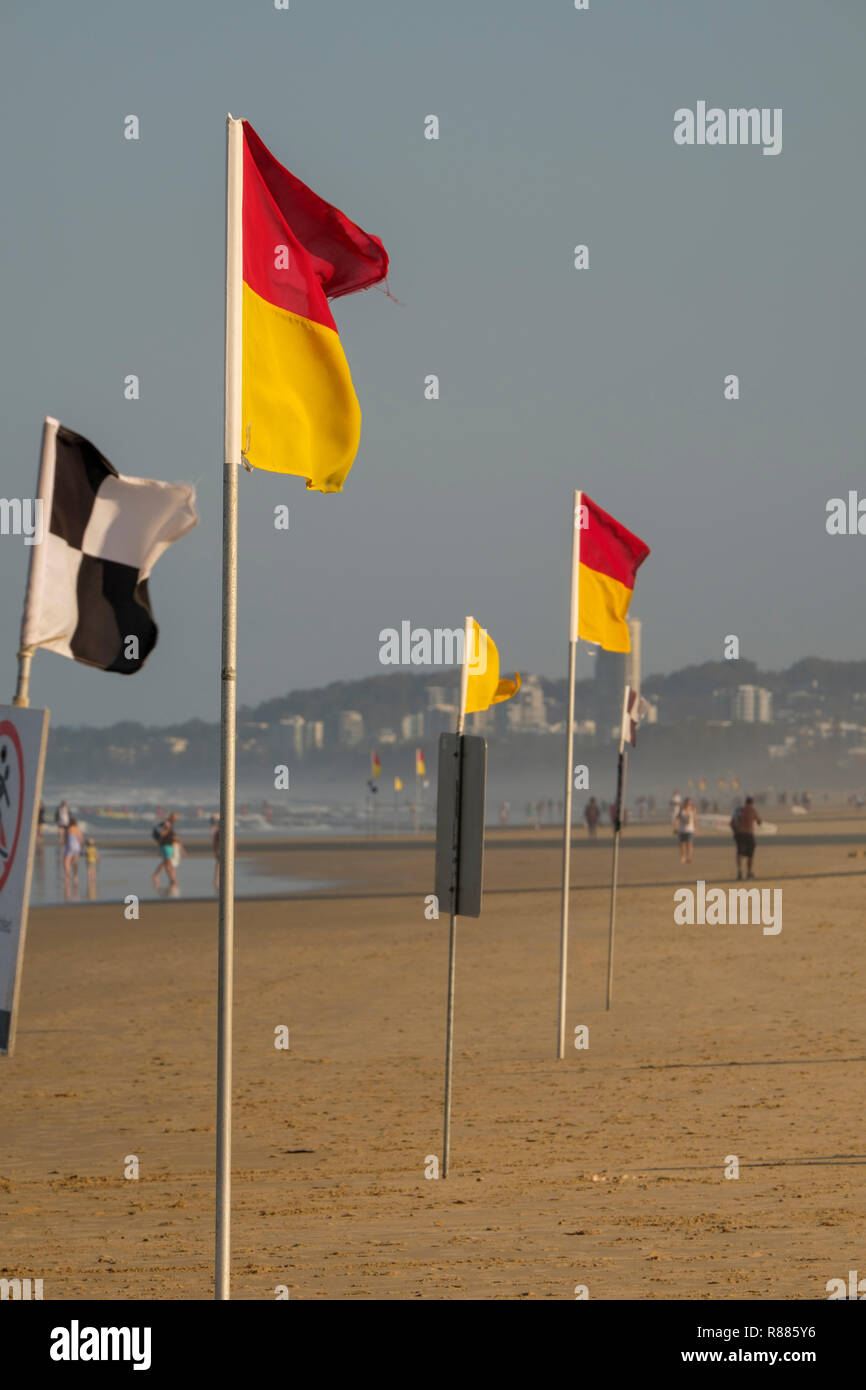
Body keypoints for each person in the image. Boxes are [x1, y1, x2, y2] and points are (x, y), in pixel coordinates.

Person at [731, 796, 761, 879]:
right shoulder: (753, 811)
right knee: (750, 855)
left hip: (740, 834)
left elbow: (732, 823)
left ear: (745, 802)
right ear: (752, 803)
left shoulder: (739, 811)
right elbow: (759, 822)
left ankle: (740, 871)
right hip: (749, 834)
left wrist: (735, 832)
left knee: (739, 853)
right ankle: (749, 872)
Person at [153, 812, 185, 889]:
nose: (176, 819)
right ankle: (171, 879)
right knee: (168, 862)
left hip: (169, 845)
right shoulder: (166, 824)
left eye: (176, 818)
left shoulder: (169, 825)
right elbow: (162, 834)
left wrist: (180, 847)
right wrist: (166, 831)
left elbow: (173, 836)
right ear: (171, 817)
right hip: (165, 845)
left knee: (166, 862)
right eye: (175, 818)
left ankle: (164, 877)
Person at [675, 796, 697, 864]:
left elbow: (695, 819)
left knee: (689, 844)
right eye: (687, 802)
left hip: (690, 829)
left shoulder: (693, 810)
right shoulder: (681, 810)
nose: (688, 804)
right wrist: (675, 827)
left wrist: (695, 828)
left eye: (689, 803)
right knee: (682, 844)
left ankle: (689, 857)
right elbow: (677, 819)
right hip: (682, 829)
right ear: (685, 803)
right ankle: (683, 857)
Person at [64, 817, 83, 887]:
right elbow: (80, 839)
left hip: (70, 846)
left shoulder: (68, 829)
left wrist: (66, 846)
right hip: (77, 847)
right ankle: (75, 877)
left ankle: (68, 875)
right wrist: (80, 848)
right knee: (75, 863)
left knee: (66, 862)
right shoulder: (78, 829)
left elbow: (65, 839)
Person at [211, 813, 221, 889]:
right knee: (218, 864)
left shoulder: (218, 831)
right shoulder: (217, 831)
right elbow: (214, 841)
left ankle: (217, 879)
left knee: (219, 864)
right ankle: (216, 879)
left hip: (219, 849)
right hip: (219, 849)